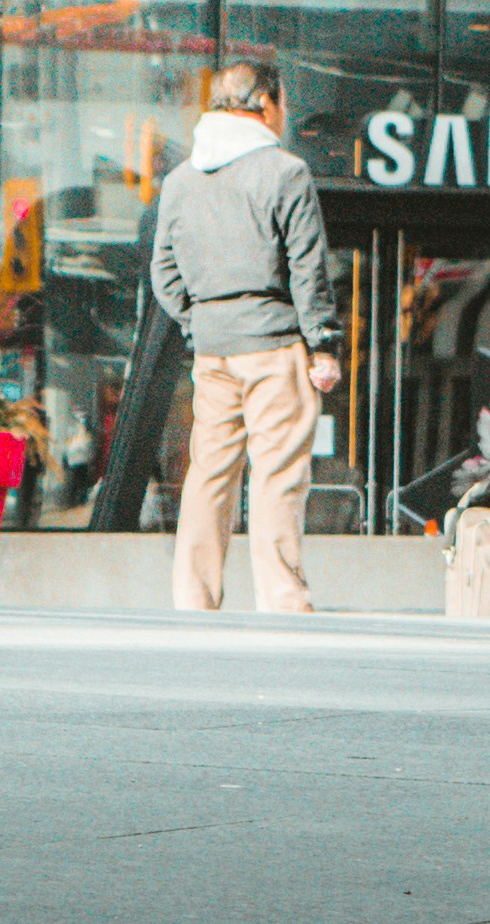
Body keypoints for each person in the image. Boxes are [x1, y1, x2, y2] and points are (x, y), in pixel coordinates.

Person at [149, 58, 344, 614]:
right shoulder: (285, 173)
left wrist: (199, 320)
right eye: (283, 103)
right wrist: (322, 344)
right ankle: (282, 601)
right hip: (274, 345)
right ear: (263, 105)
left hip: (213, 350)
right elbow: (308, 268)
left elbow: (164, 272)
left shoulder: (181, 180)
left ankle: (194, 598)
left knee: (209, 475)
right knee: (278, 475)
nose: (286, 115)